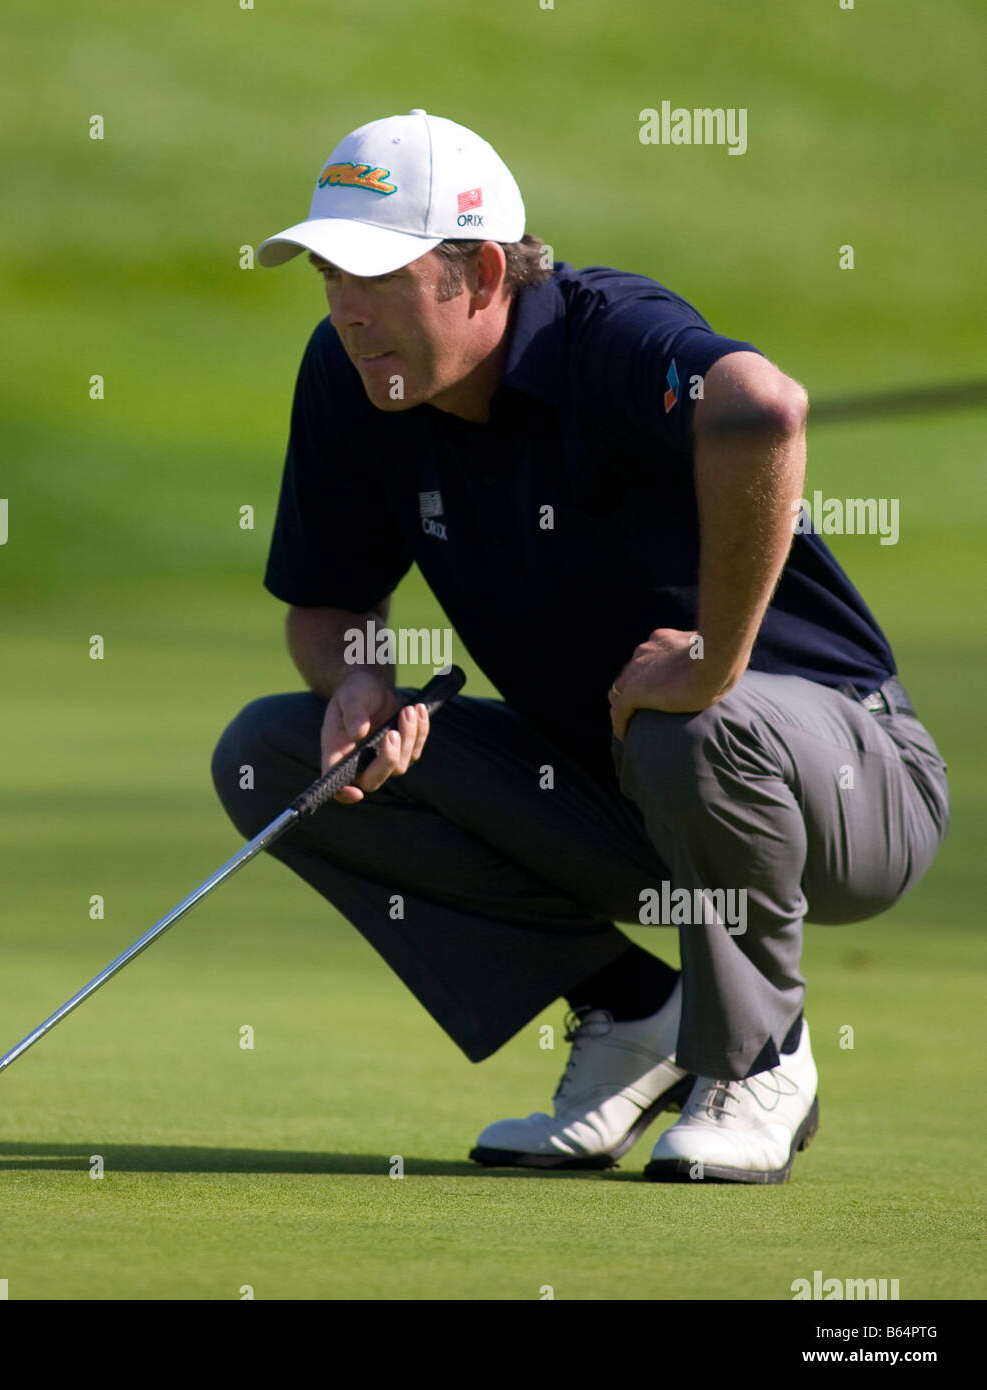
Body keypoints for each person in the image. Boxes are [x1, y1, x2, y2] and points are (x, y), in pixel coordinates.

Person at [211, 110, 950, 1183]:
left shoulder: (601, 339)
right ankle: (631, 1010)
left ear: (473, 271)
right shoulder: (352, 378)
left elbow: (765, 410)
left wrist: (707, 662)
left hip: (848, 783)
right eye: (328, 272)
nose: (344, 307)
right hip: (624, 788)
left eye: (373, 274)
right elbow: (322, 609)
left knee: (687, 722)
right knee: (275, 754)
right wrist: (355, 679)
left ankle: (757, 1057)